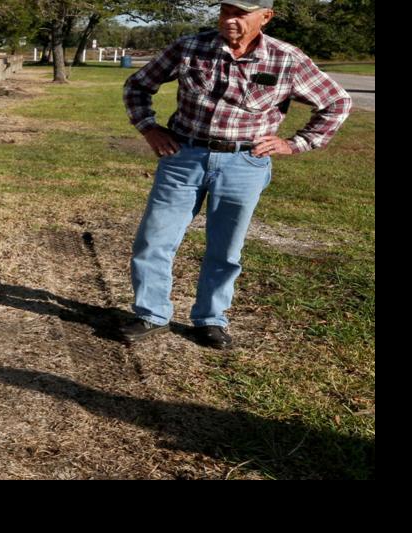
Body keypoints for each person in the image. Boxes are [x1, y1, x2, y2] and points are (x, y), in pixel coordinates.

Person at [120, 0, 351, 350]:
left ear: (265, 17)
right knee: (155, 238)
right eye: (226, 11)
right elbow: (137, 85)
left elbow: (337, 102)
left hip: (245, 163)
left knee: (226, 248)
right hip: (184, 155)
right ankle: (151, 314)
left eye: (241, 13)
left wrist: (297, 143)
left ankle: (210, 319)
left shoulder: (286, 58)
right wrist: (149, 128)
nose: (231, 20)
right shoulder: (189, 47)